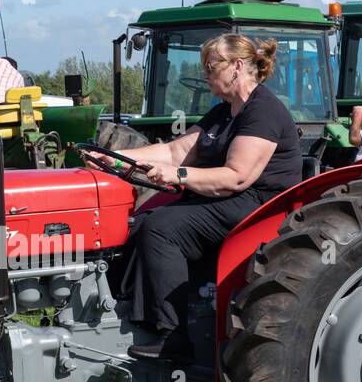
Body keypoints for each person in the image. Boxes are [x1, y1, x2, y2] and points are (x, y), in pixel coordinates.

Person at [108, 33, 300, 362]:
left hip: (259, 206)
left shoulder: (263, 110)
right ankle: (120, 313)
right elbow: (175, 150)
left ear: (238, 66)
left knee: (163, 229)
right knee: (137, 223)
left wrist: (179, 175)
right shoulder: (223, 112)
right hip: (228, 199)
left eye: (210, 67)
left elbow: (237, 177)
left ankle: (174, 337)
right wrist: (115, 158)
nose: (206, 75)